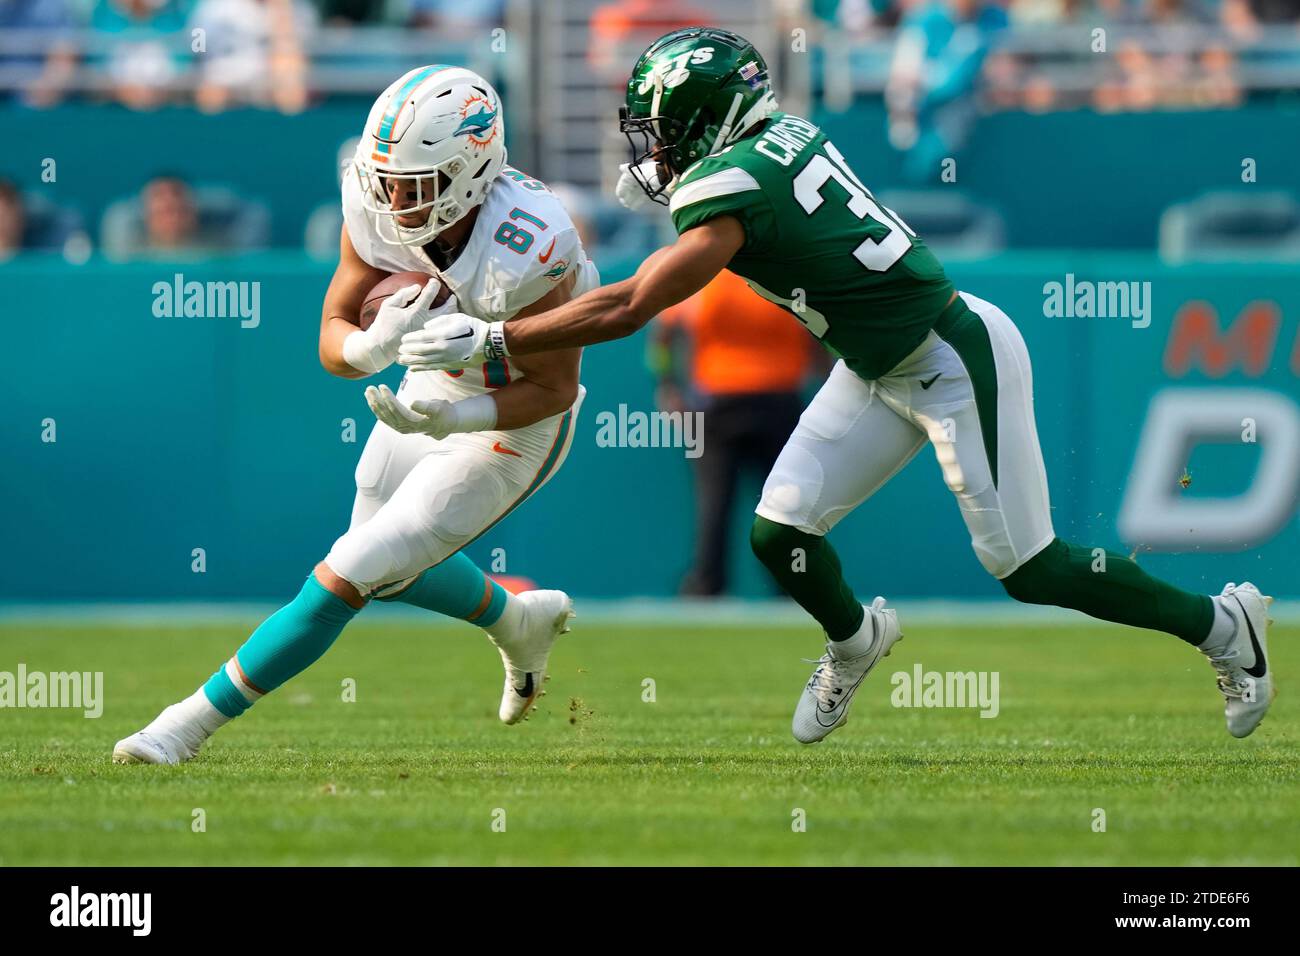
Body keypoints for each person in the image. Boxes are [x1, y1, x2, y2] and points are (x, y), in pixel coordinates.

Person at [389, 28, 1276, 744]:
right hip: (873, 359)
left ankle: (1224, 626)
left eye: (663, 131)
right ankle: (856, 641)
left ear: (709, 124)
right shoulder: (775, 141)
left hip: (951, 356)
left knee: (1030, 567)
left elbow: (629, 305)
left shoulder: (734, 185)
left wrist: (497, 336)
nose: (652, 149)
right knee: (779, 534)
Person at [114, 66, 597, 764]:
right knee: (386, 571)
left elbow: (554, 387)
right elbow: (333, 336)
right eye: (386, 178)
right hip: (432, 382)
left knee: (352, 568)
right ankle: (519, 621)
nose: (393, 199)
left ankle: (181, 727)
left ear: (469, 171)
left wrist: (455, 424)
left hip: (514, 421)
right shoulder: (372, 201)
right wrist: (371, 348)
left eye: (415, 184)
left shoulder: (530, 244)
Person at [650, 269, 821, 596]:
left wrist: (667, 384)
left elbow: (663, 335)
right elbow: (818, 333)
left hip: (724, 401)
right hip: (774, 401)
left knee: (717, 503)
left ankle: (707, 585)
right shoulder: (787, 270)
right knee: (784, 505)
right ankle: (792, 582)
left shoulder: (702, 271)